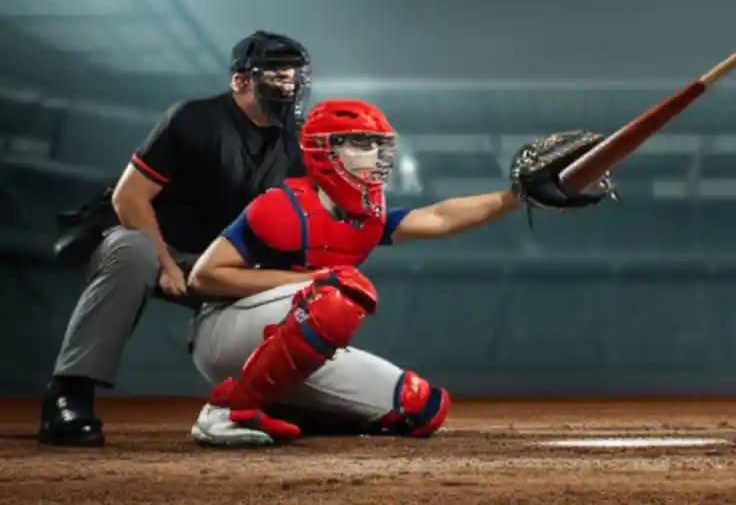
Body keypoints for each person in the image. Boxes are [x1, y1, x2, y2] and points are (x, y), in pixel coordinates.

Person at [185, 100, 613, 445]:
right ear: (324, 149)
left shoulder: (367, 215)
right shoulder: (282, 205)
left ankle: (275, 405)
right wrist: (312, 282)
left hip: (295, 341)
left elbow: (440, 218)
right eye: (358, 143)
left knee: (422, 408)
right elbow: (203, 277)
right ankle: (227, 412)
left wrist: (515, 196)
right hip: (224, 332)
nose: (372, 155)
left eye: (376, 144)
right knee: (338, 291)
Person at [38, 31, 311, 447]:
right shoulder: (194, 118)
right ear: (241, 80)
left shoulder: (295, 140)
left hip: (220, 260)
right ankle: (68, 393)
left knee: (308, 282)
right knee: (134, 251)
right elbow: (129, 197)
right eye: (276, 75)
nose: (288, 85)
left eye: (293, 76)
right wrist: (165, 263)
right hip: (150, 240)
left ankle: (277, 397)